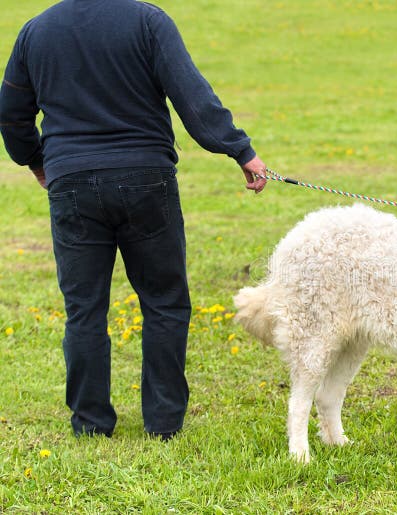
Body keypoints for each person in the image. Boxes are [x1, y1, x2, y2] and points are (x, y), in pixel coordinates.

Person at [0, 0, 268, 440]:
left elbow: (11, 113)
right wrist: (239, 149)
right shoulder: (148, 21)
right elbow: (192, 96)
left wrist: (35, 159)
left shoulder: (37, 30)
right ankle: (163, 424)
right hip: (146, 178)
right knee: (164, 301)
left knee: (84, 309)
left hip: (71, 182)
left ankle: (90, 424)